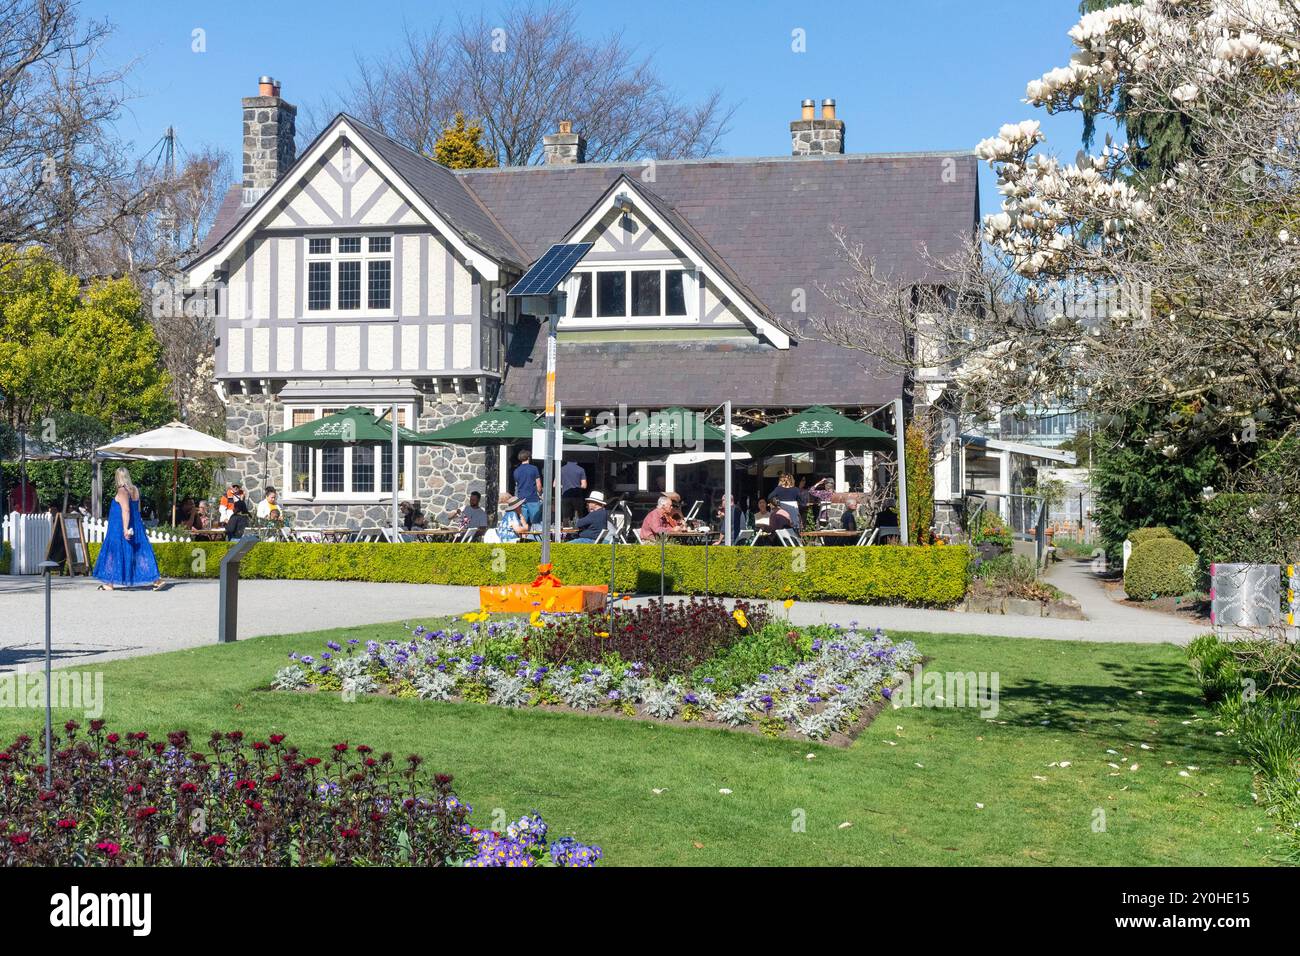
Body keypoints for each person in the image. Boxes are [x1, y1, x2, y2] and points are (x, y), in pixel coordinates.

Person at [93, 467, 164, 591]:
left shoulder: (122, 491)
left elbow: (126, 510)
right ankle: (156, 579)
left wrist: (125, 528)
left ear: (117, 477)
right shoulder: (135, 489)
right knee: (141, 551)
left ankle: (109, 584)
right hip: (136, 524)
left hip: (120, 526)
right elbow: (137, 508)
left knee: (113, 552)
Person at [512, 450, 542, 526]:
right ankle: (535, 538)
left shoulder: (516, 471)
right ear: (529, 458)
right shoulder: (534, 468)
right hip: (533, 499)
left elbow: (517, 485)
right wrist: (540, 494)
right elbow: (538, 485)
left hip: (521, 500)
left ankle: (523, 537)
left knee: (523, 523)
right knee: (536, 524)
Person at [560, 459, 587, 524]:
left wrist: (564, 485)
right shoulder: (581, 469)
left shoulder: (561, 469)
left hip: (565, 495)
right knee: (579, 516)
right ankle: (579, 531)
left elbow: (555, 484)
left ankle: (566, 532)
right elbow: (584, 485)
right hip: (577, 496)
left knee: (565, 517)